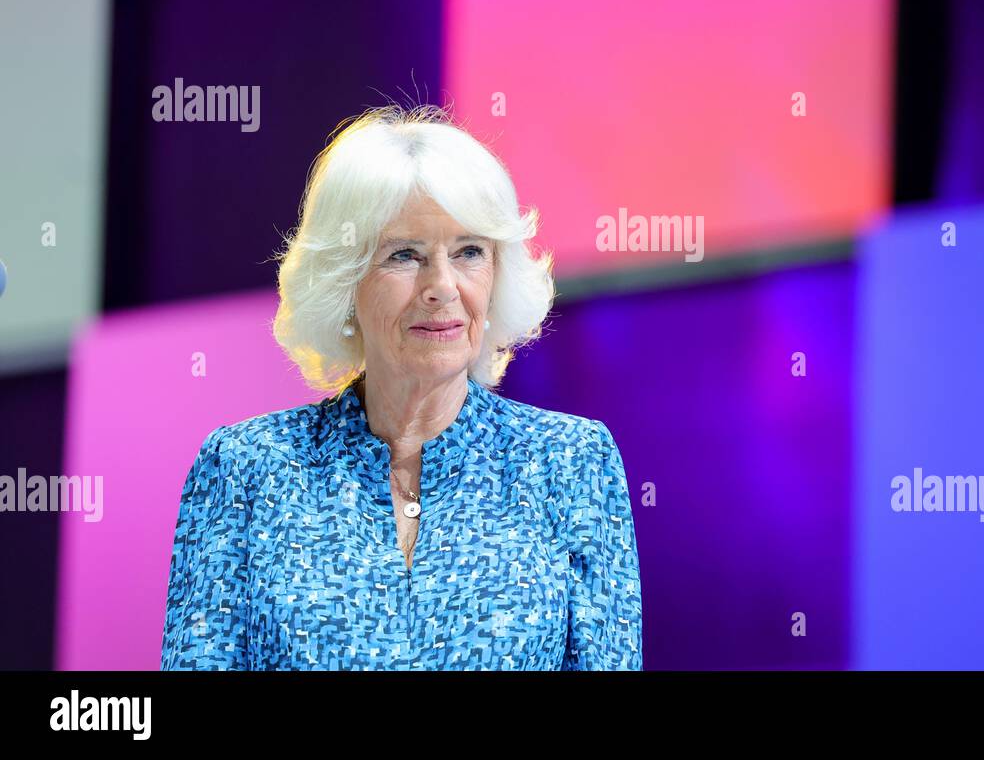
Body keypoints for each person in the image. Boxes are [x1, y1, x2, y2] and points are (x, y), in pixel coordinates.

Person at [161, 104, 642, 669]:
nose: (441, 287)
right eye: (405, 255)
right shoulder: (244, 469)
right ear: (344, 282)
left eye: (469, 253)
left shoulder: (570, 463)